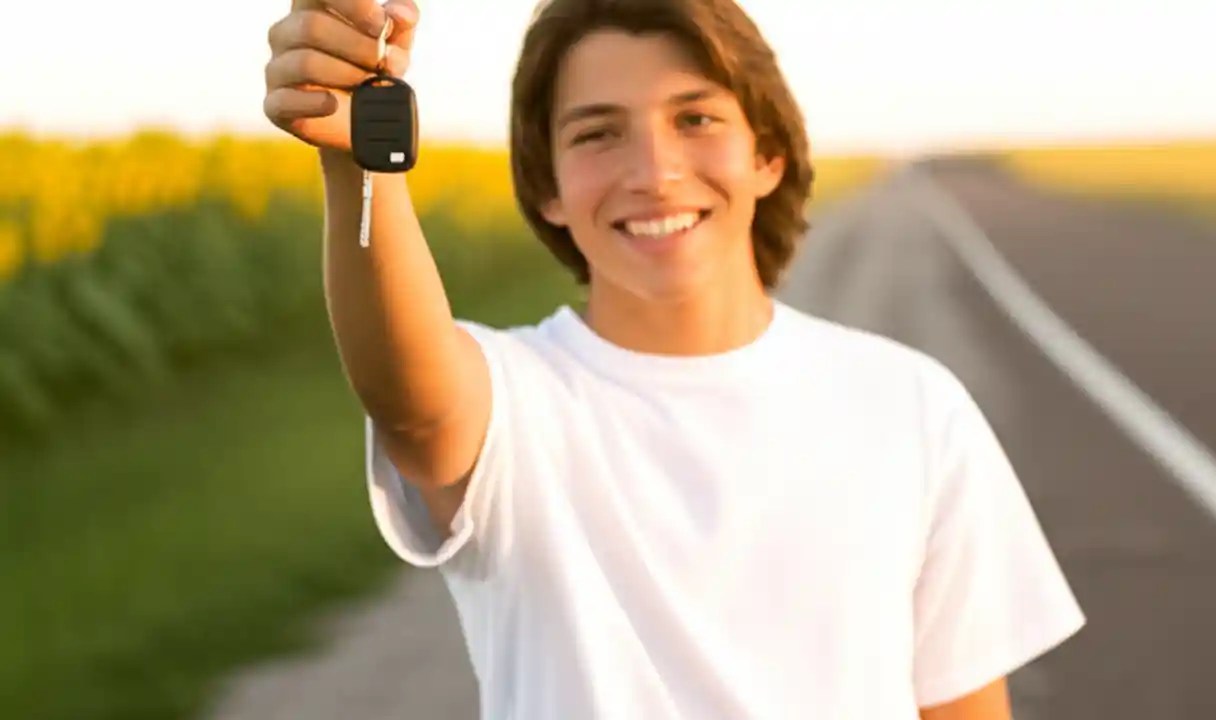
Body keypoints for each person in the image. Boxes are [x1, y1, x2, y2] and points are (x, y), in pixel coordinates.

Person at [263, 0, 1087, 717]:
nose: (654, 173)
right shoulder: (513, 403)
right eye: (598, 133)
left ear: (766, 155)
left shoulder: (913, 405)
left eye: (695, 119)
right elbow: (412, 400)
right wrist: (358, 162)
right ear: (546, 186)